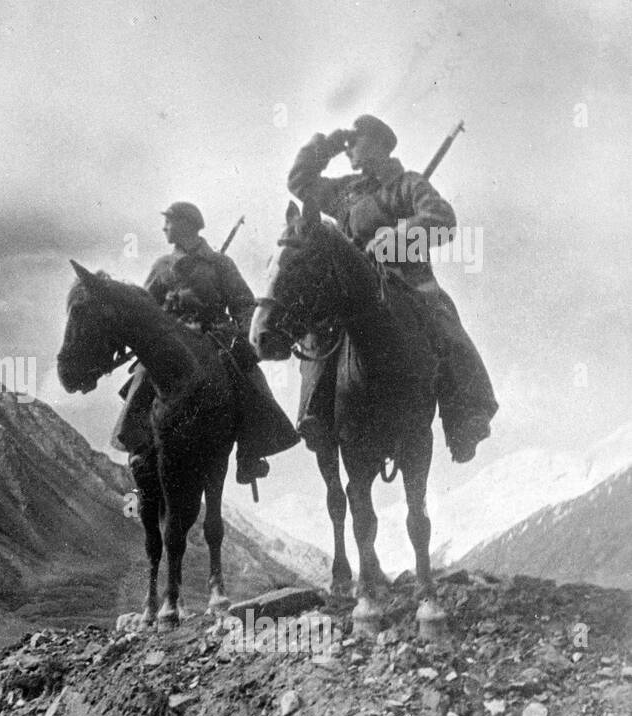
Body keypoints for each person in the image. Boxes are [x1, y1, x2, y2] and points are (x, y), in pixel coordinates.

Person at [287, 114, 497, 461]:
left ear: (379, 143)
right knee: (318, 330)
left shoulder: (407, 184)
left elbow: (442, 220)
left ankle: (465, 417)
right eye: (348, 141)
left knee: (442, 324)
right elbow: (299, 183)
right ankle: (315, 413)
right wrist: (325, 145)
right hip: (352, 286)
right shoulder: (344, 191)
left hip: (405, 280)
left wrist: (393, 240)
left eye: (356, 139)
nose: (350, 147)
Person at [111, 201, 299, 484]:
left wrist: (242, 338)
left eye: (169, 222)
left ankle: (250, 453)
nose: (164, 227)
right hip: (169, 340)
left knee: (246, 377)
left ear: (186, 225)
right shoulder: (162, 266)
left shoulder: (220, 264)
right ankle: (138, 444)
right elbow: (147, 308)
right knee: (143, 373)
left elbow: (244, 305)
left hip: (213, 336)